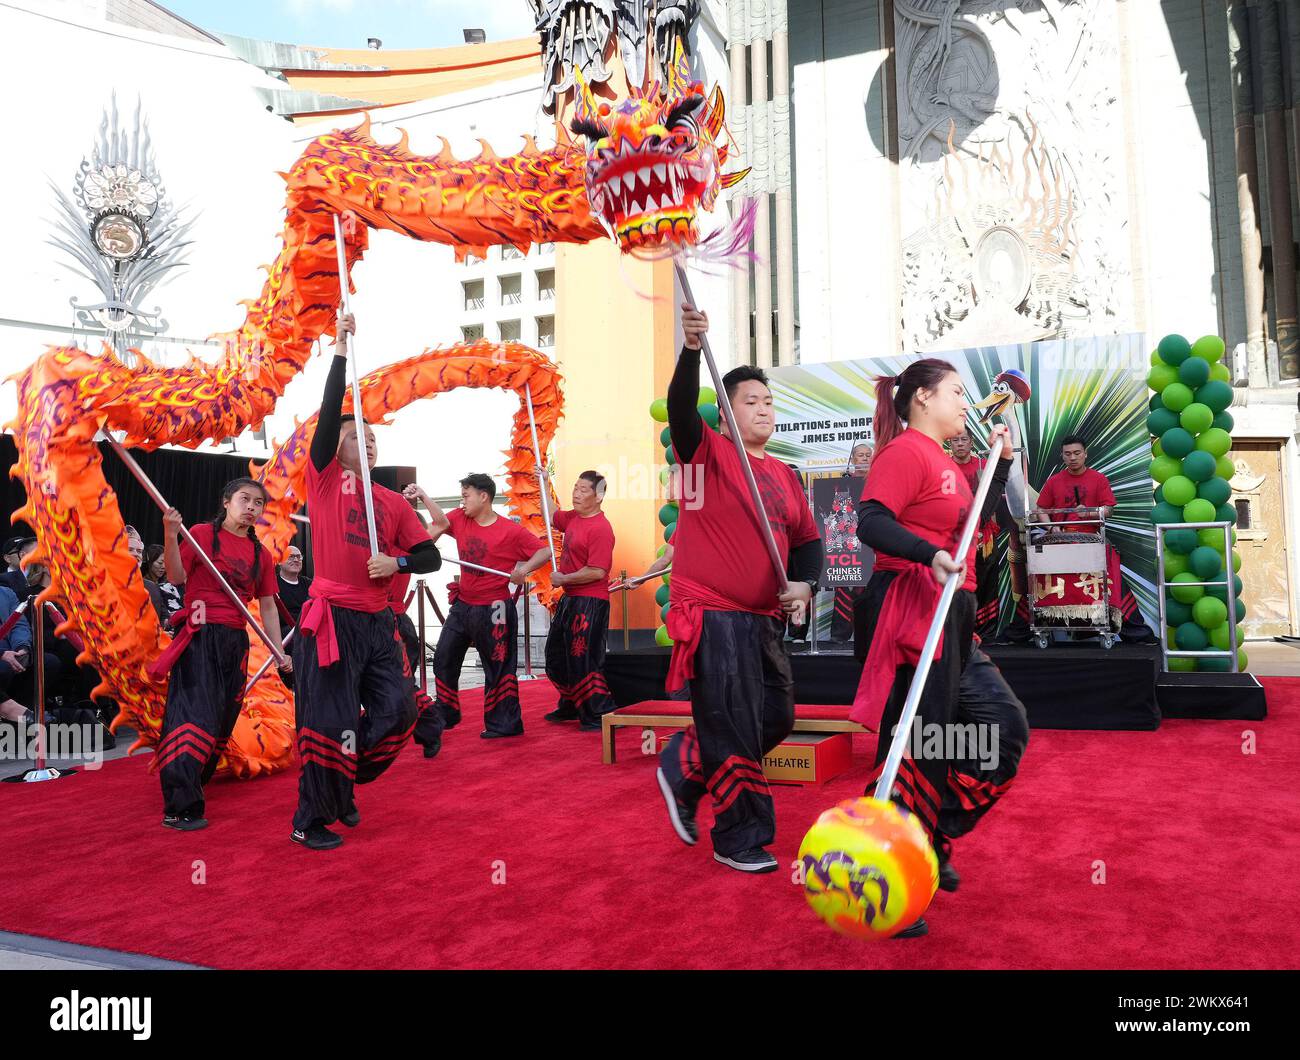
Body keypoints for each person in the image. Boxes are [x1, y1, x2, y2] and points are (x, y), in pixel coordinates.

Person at [854, 359, 1029, 939]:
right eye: (955, 391)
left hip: (952, 613)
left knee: (1001, 724)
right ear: (923, 398)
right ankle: (887, 881)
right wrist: (925, 555)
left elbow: (993, 524)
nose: (964, 400)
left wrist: (1002, 467)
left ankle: (929, 835)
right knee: (916, 745)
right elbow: (871, 522)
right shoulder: (905, 452)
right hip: (912, 607)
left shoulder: (951, 465)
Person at [654, 302, 823, 874]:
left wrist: (805, 585)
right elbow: (680, 408)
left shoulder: (785, 474)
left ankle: (686, 763)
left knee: (774, 715)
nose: (763, 408)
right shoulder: (706, 452)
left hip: (764, 619)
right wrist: (691, 351)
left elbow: (807, 542)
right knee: (731, 720)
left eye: (769, 400)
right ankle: (739, 835)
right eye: (749, 401)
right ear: (726, 415)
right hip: (713, 610)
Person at [290, 312, 443, 850]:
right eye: (359, 436)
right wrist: (338, 350)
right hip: (331, 620)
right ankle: (312, 817)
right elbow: (329, 416)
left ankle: (346, 782)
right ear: (338, 448)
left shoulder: (393, 503)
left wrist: (398, 565)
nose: (369, 443)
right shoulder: (325, 480)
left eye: (374, 437)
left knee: (399, 708)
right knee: (328, 722)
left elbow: (429, 558)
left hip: (378, 623)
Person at [151, 479, 288, 830]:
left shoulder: (262, 555)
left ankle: (195, 779)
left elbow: (269, 605)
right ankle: (180, 806)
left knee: (224, 717)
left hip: (234, 640)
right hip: (199, 636)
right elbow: (177, 576)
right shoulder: (200, 534)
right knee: (194, 715)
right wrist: (170, 534)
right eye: (245, 500)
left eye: (259, 503)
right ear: (226, 502)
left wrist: (277, 650)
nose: (252, 508)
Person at [423, 474, 551, 738]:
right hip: (463, 605)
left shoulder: (510, 531)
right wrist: (423, 496)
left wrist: (523, 569)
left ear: (484, 496)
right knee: (444, 657)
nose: (462, 501)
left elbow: (544, 551)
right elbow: (440, 522)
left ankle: (504, 724)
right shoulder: (459, 517)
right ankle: (446, 712)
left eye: (466, 495)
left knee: (498, 666)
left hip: (495, 608)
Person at [1031, 435, 1155, 643]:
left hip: (1089, 539)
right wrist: (1050, 526)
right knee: (1037, 575)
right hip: (1060, 541)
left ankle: (1134, 630)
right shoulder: (1054, 481)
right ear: (1062, 456)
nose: (1073, 458)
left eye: (1077, 453)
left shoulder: (1098, 479)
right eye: (1068, 454)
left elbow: (1108, 510)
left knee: (1112, 571)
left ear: (1085, 454)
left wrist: (1088, 514)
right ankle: (1026, 630)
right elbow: (1041, 508)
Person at [541, 470, 617, 731]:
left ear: (598, 496)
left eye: (584, 490)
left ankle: (599, 712)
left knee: (583, 658)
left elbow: (597, 571)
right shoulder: (573, 518)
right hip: (570, 599)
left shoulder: (601, 528)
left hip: (590, 602)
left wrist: (564, 578)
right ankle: (572, 702)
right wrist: (543, 480)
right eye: (575, 487)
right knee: (556, 656)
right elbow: (551, 516)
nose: (576, 493)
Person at [948, 429, 1002, 638]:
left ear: (971, 443)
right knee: (956, 581)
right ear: (950, 444)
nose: (960, 444)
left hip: (984, 533)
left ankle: (986, 632)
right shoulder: (944, 467)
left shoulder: (983, 466)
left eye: (964, 440)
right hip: (953, 533)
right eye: (955, 440)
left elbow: (993, 499)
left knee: (987, 580)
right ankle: (958, 631)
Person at [832, 442, 874, 646]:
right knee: (844, 585)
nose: (865, 458)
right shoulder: (843, 483)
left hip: (873, 540)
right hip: (847, 542)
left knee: (869, 589)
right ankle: (840, 634)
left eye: (868, 455)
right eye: (860, 455)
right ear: (853, 459)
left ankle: (867, 634)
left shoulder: (878, 480)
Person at [143, 544, 184, 621]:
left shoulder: (170, 585)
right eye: (160, 563)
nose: (163, 566)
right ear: (150, 562)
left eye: (166, 563)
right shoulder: (143, 584)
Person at [277, 545, 312, 627]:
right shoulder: (274, 584)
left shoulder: (308, 584)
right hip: (285, 632)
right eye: (291, 557)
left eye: (299, 557)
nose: (296, 560)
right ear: (279, 561)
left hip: (307, 628)